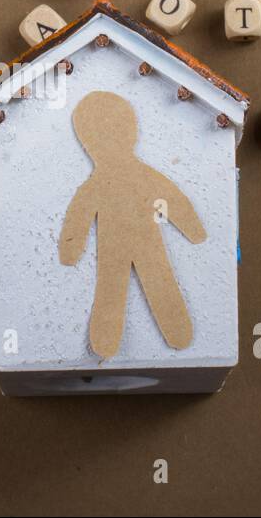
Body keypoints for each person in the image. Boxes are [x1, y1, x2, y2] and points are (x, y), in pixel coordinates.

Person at [59, 91, 206, 359]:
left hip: (133, 245)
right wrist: (194, 231)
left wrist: (71, 253)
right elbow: (171, 199)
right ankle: (113, 343)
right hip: (124, 247)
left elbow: (78, 217)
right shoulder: (133, 178)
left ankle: (162, 335)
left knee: (126, 287)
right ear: (132, 132)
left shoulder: (100, 184)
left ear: (87, 142)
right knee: (136, 285)